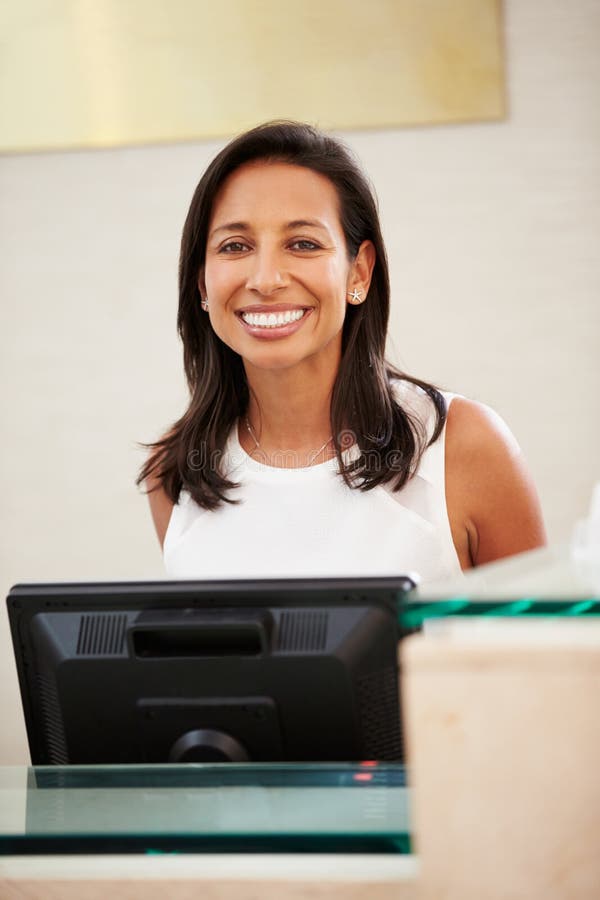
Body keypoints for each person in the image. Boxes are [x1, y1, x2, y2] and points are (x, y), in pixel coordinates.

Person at [137, 121, 546, 584]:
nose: (266, 279)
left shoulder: (463, 446)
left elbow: (546, 650)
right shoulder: (175, 470)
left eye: (303, 244)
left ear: (359, 273)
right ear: (201, 282)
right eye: (235, 246)